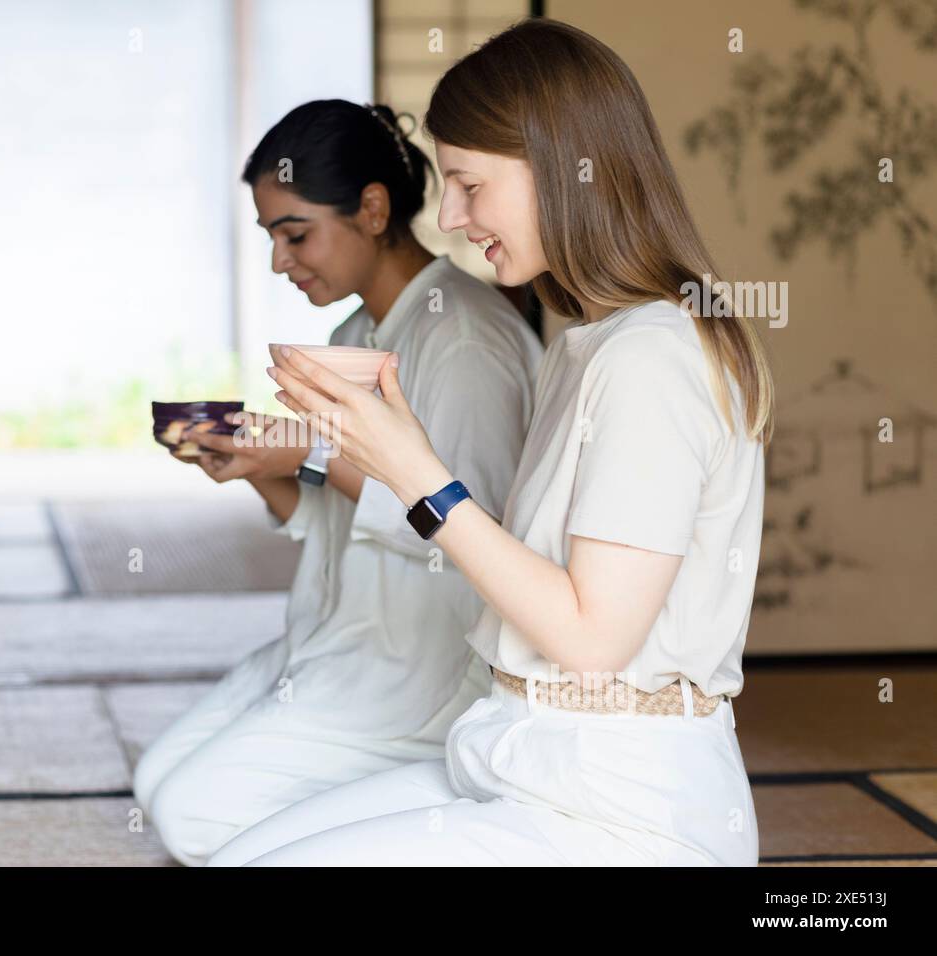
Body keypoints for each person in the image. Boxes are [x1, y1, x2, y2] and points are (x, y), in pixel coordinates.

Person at [208, 19, 774, 867]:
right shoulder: (595, 342)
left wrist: (411, 471)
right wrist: (335, 457)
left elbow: (592, 638)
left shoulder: (654, 356)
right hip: (521, 753)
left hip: (621, 804)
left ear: (560, 170)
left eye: (471, 184)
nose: (449, 216)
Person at [132, 99, 544, 866]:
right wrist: (258, 466)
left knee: (192, 818)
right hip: (340, 642)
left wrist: (307, 453)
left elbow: (471, 527)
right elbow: (335, 519)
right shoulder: (352, 337)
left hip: (423, 667)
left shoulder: (463, 339)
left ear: (373, 209)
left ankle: (447, 789)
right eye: (271, 239)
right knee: (157, 784)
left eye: (296, 234)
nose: (281, 261)